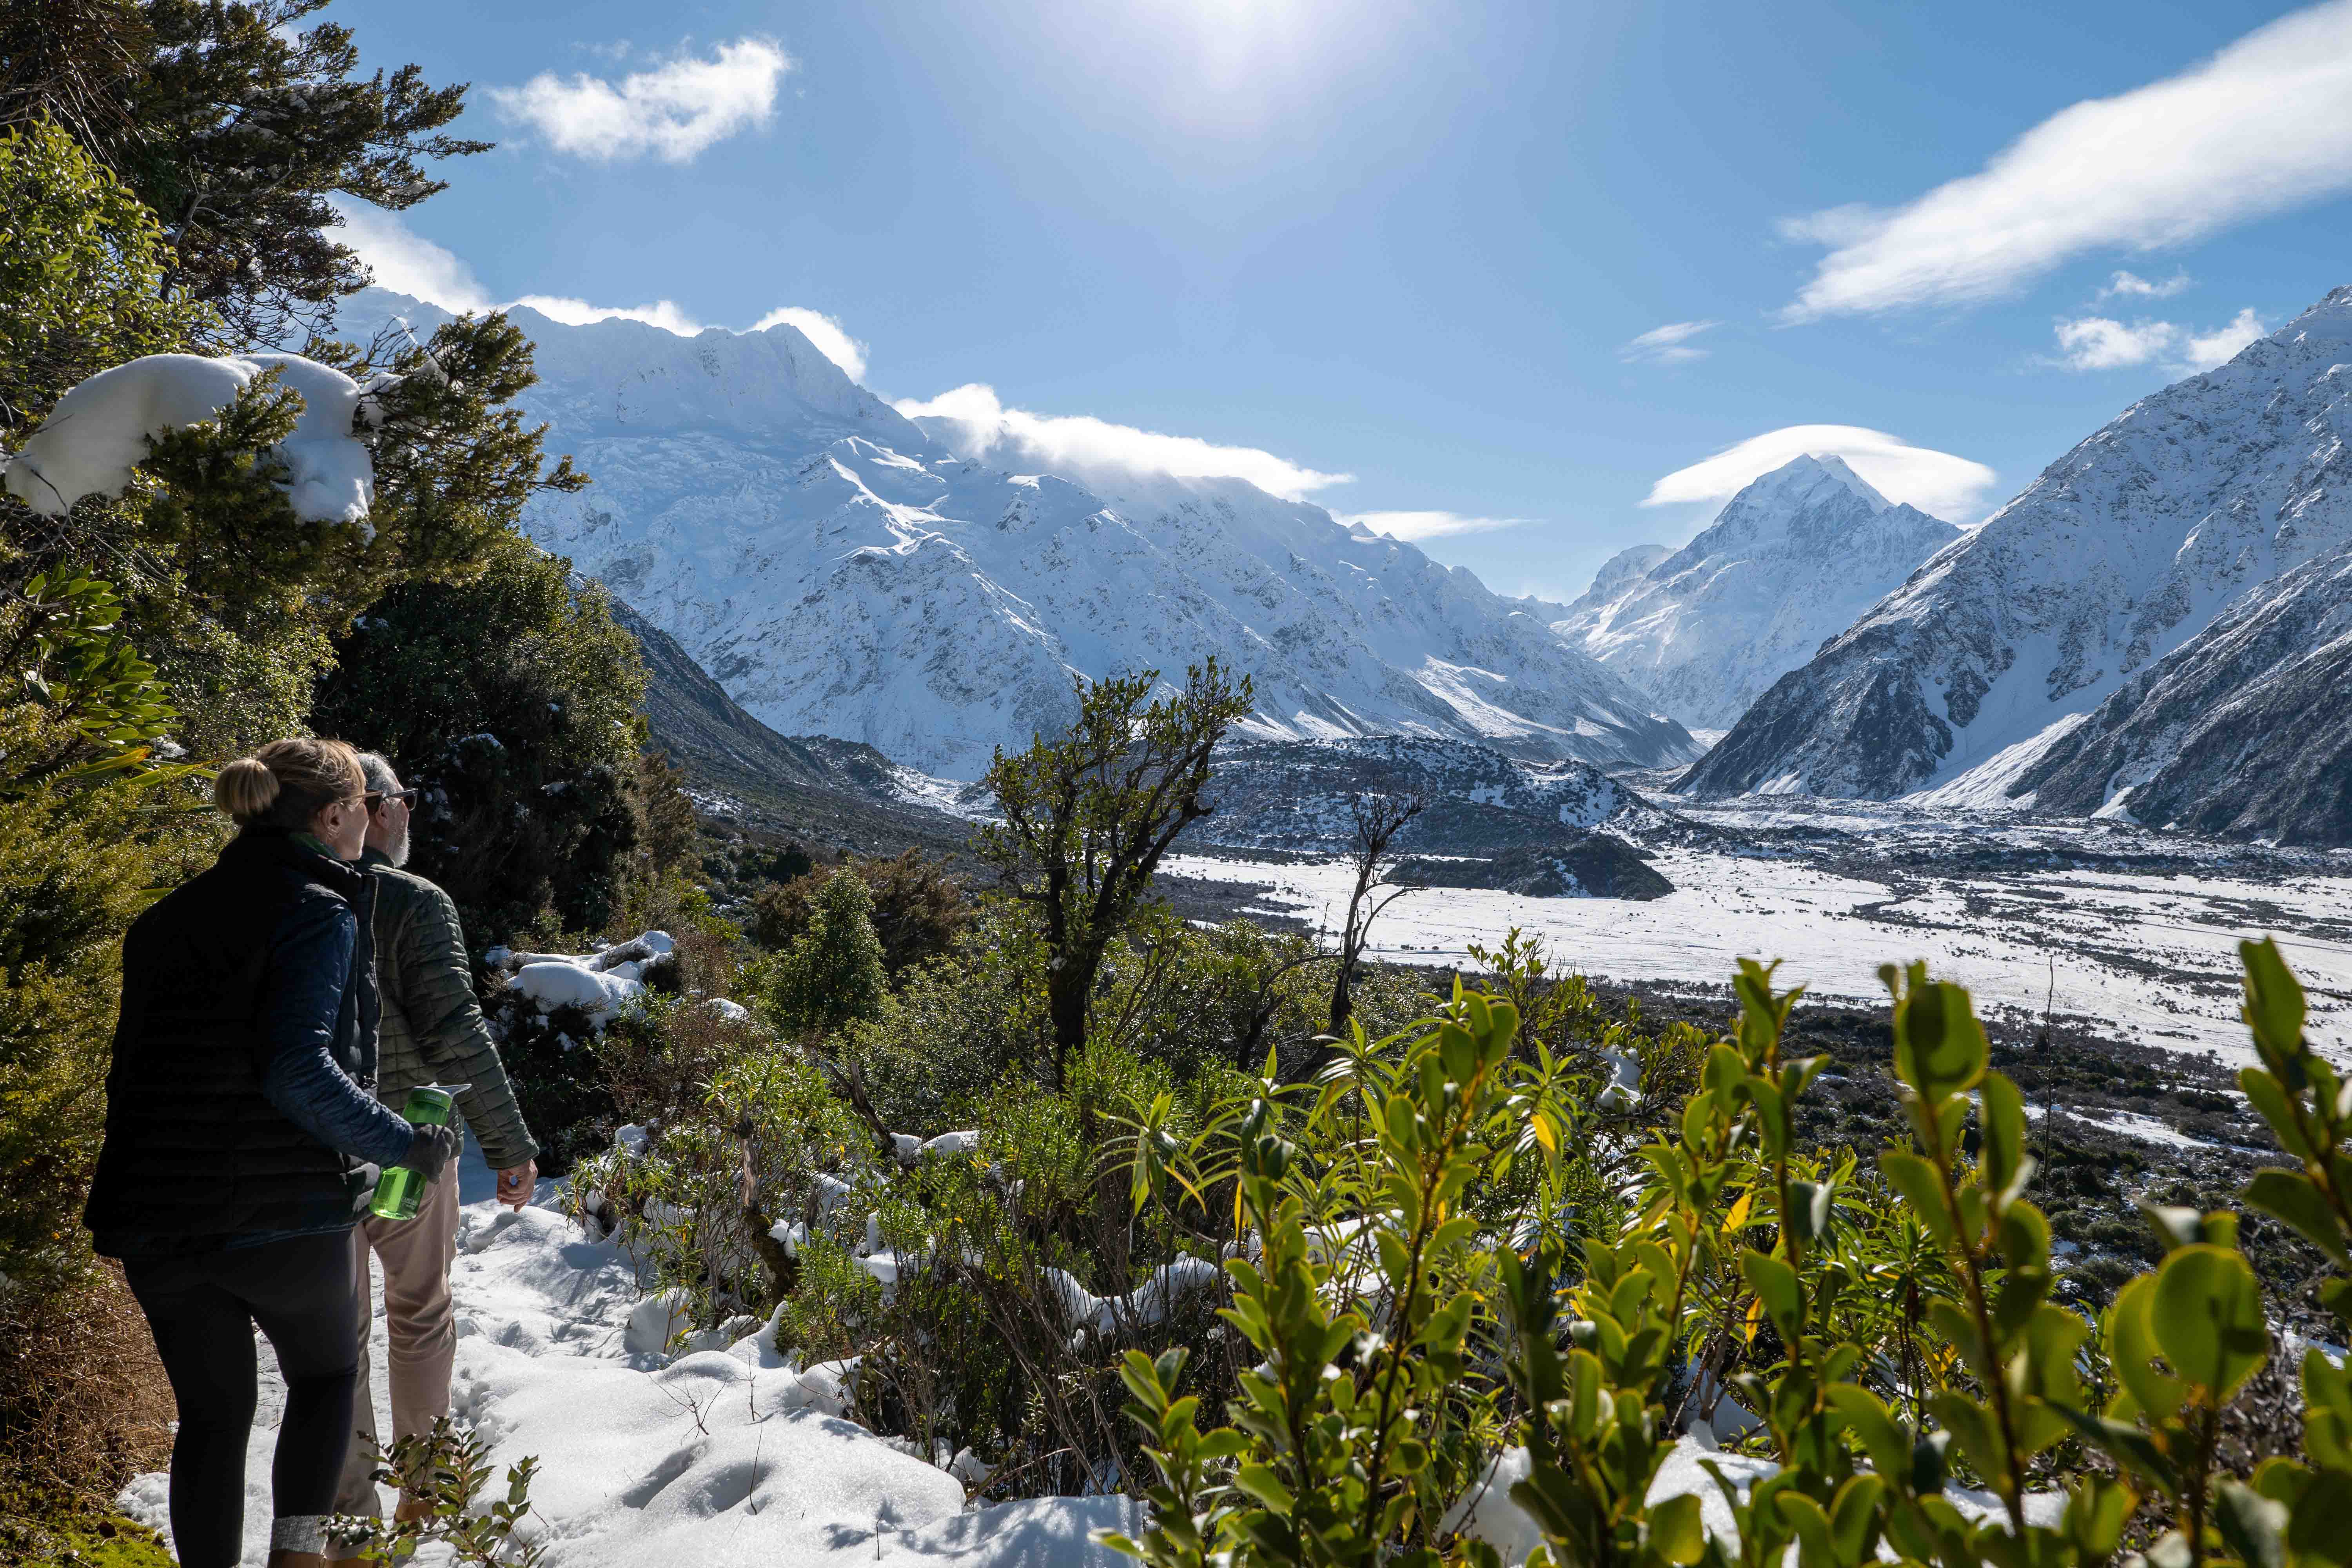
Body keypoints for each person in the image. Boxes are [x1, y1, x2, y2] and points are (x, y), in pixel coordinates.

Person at [84, 739, 461, 1568]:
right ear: (334, 815)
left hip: (157, 1222)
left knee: (213, 1417)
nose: (376, 816)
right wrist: (406, 1143)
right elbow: (298, 1068)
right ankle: (297, 1559)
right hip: (288, 1216)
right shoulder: (319, 908)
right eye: (366, 802)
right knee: (325, 1381)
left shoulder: (163, 919)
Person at [333, 753, 541, 1523]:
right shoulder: (414, 903)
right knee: (419, 1310)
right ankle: (422, 1496)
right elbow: (457, 1032)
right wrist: (509, 1143)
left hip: (317, 1149)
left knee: (339, 1335)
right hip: (407, 1149)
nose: (411, 812)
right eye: (404, 798)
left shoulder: (286, 895)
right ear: (374, 810)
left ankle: (349, 1516)